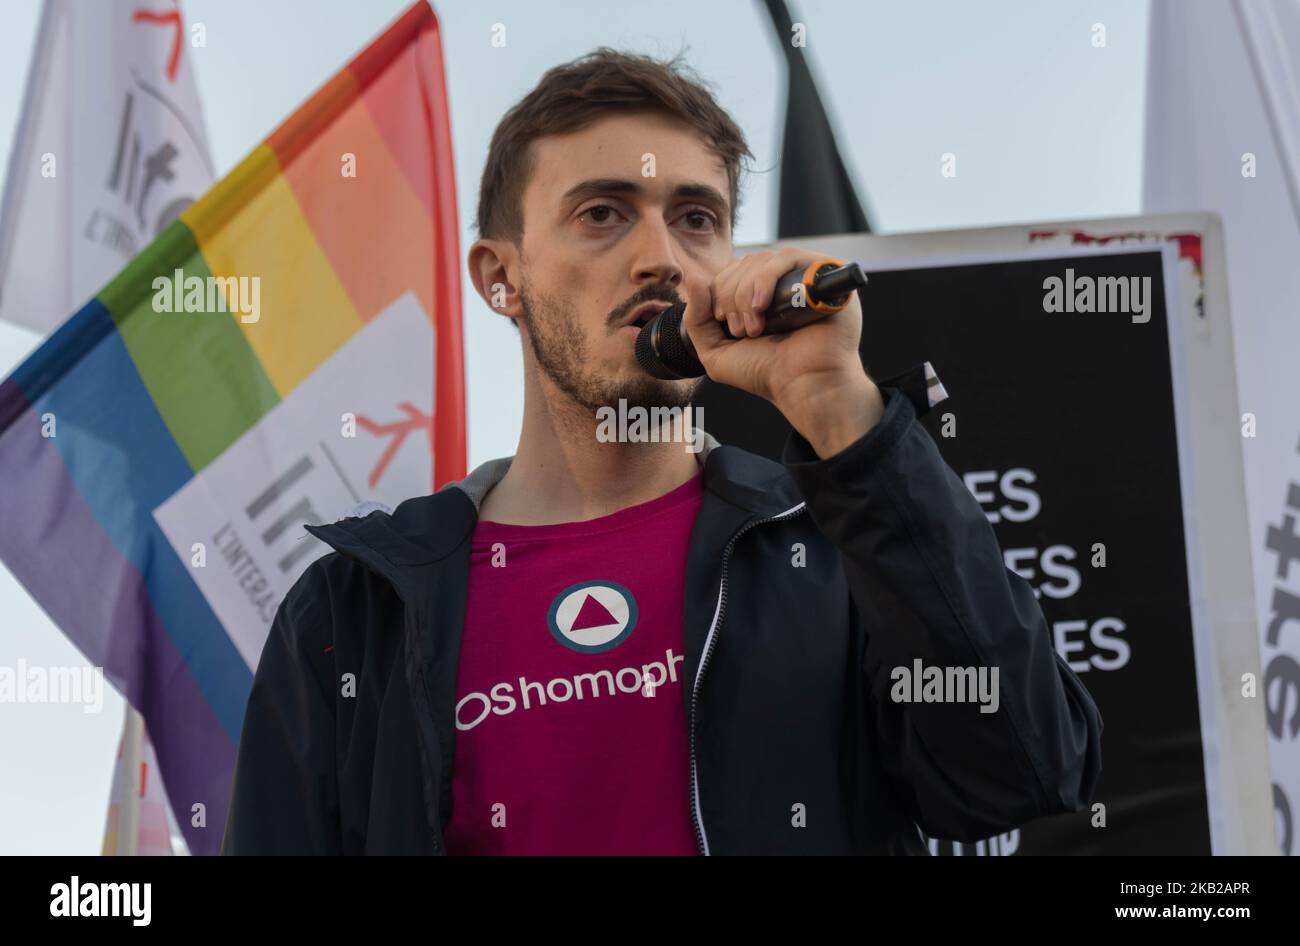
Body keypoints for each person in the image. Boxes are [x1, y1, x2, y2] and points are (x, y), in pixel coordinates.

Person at [221, 49, 1101, 856]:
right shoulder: (353, 611)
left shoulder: (830, 545)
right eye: (602, 214)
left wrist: (844, 415)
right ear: (501, 277)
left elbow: (1024, 770)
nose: (661, 258)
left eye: (695, 219)